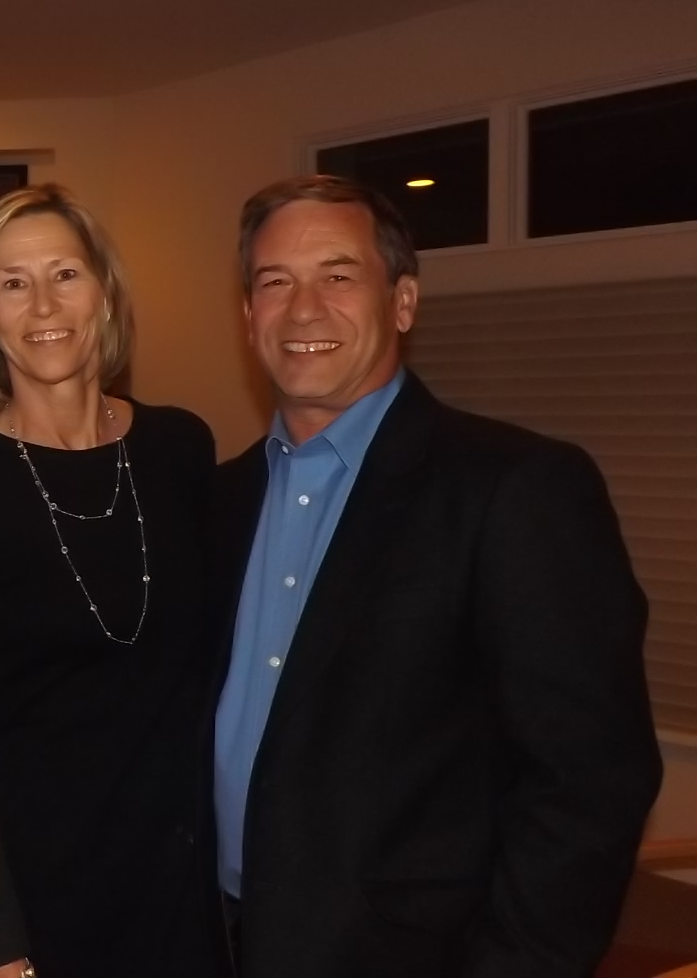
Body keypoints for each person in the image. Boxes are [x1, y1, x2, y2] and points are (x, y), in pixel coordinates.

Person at [212, 174, 662, 977]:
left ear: (404, 301)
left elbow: (588, 785)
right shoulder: (218, 499)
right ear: (249, 318)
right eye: (275, 282)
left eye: (339, 276)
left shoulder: (516, 488)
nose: (304, 308)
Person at [0, 184, 227, 978]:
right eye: (13, 282)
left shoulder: (182, 448)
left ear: (105, 294)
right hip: (32, 902)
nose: (43, 302)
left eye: (65, 274)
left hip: (179, 887)